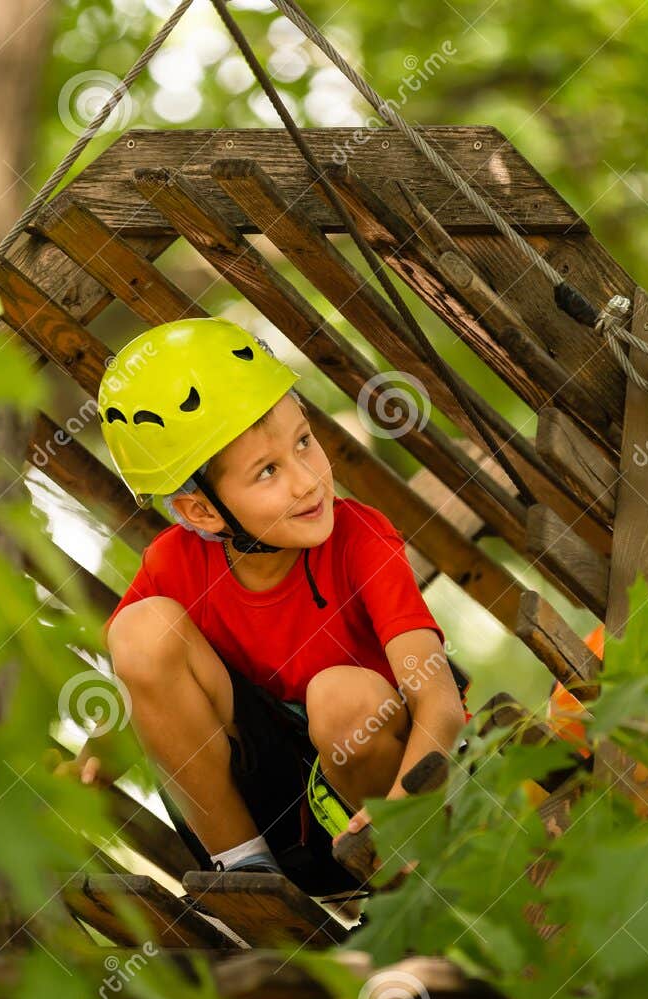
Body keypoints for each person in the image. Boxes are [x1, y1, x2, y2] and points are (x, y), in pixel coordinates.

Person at [84, 318, 471, 898]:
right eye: (268, 471)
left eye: (304, 443)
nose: (308, 481)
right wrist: (88, 766)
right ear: (203, 513)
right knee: (139, 628)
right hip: (280, 813)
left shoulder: (361, 539)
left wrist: (399, 819)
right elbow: (143, 678)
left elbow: (439, 703)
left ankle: (407, 881)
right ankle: (247, 875)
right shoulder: (176, 564)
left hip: (398, 796)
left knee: (341, 698)